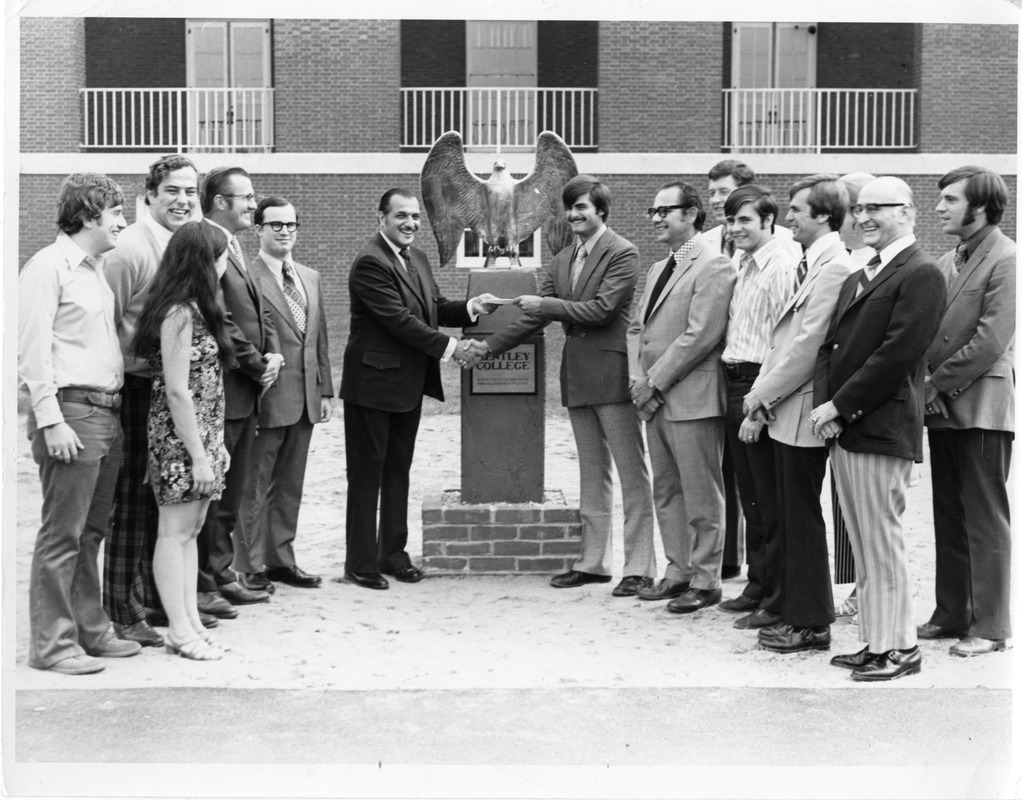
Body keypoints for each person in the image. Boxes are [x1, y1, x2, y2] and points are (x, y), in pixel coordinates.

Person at [467, 175, 656, 596]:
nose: (573, 215)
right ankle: (593, 563)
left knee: (632, 474)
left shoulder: (623, 252)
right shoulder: (560, 258)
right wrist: (488, 347)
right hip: (577, 376)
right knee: (592, 473)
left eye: (582, 207)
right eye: (569, 208)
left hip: (613, 374)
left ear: (601, 212)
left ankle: (640, 567)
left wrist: (547, 304)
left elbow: (603, 310)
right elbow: (535, 317)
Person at [811, 176, 945, 681]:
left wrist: (841, 407)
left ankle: (901, 648)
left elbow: (900, 353)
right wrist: (829, 405)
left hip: (878, 424)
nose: (864, 217)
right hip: (845, 426)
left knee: (882, 540)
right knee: (864, 542)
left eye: (877, 208)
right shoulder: (860, 273)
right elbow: (830, 348)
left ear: (907, 211)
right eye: (859, 208)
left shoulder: (921, 273)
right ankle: (875, 640)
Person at [339, 188, 498, 590]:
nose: (410, 223)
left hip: (406, 386)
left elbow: (432, 306)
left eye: (415, 217)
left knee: (397, 473)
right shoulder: (370, 263)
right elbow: (398, 320)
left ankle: (392, 555)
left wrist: (470, 307)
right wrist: (452, 347)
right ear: (382, 219)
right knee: (367, 476)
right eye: (401, 216)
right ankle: (360, 563)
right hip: (372, 388)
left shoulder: (417, 258)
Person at [19, 173, 142, 675]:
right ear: (90, 214)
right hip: (71, 413)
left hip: (104, 412)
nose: (122, 222)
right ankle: (51, 645)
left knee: (92, 531)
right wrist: (50, 420)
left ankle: (90, 632)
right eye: (115, 213)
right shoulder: (47, 268)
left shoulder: (95, 270)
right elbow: (30, 351)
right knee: (62, 534)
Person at [745, 174, 854, 654]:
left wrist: (758, 395)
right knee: (791, 515)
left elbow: (808, 346)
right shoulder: (815, 262)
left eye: (796, 210)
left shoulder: (834, 266)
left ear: (824, 216)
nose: (787, 218)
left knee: (802, 517)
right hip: (787, 408)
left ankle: (811, 622)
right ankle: (797, 612)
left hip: (802, 408)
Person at [104, 155, 201, 648]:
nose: (183, 200)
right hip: (137, 390)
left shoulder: (185, 244)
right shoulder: (128, 250)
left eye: (190, 191)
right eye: (172, 192)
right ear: (149, 195)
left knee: (166, 500)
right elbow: (107, 322)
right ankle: (120, 610)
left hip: (175, 390)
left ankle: (151, 602)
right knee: (132, 501)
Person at [626, 181, 736, 613]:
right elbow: (637, 329)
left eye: (664, 211)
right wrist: (640, 383)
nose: (655, 218)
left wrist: (652, 381)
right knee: (667, 492)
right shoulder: (657, 269)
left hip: (692, 400)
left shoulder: (715, 266)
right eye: (652, 211)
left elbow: (700, 336)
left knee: (701, 494)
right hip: (653, 399)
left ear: (691, 214)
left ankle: (707, 580)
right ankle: (678, 572)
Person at [919, 166, 1015, 657]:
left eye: (951, 200)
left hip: (980, 404)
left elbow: (990, 340)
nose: (940, 208)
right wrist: (930, 389)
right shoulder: (947, 259)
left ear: (981, 207)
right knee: (948, 513)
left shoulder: (1007, 259)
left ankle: (992, 625)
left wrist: (935, 385)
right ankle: (952, 612)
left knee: (984, 515)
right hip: (943, 405)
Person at [133, 222, 234, 660]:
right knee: (174, 533)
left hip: (202, 436)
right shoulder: (178, 313)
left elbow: (208, 386)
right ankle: (177, 628)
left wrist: (216, 445)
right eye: (224, 253)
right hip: (180, 440)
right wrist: (198, 454)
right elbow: (176, 389)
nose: (228, 261)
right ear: (206, 261)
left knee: (191, 531)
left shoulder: (196, 309)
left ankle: (188, 620)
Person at [234, 197, 333, 590]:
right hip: (266, 399)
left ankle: (281, 559)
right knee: (254, 487)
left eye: (291, 224)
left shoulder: (310, 277)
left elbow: (318, 338)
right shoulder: (246, 276)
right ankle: (250, 566)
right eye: (275, 224)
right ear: (258, 229)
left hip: (306, 399)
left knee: (290, 486)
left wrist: (324, 390)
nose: (284, 231)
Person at [197, 167, 283, 610]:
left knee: (234, 491)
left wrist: (273, 355)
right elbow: (219, 317)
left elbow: (256, 310)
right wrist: (254, 364)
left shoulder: (236, 247)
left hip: (248, 387)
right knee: (217, 494)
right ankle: (206, 584)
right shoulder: (205, 243)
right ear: (218, 202)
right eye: (245, 198)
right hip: (227, 388)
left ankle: (221, 572)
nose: (254, 204)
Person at [716, 185, 795, 629]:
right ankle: (758, 584)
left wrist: (759, 408)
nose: (736, 228)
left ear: (768, 221)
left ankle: (778, 598)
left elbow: (786, 344)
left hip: (758, 385)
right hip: (734, 382)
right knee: (751, 498)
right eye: (731, 220)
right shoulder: (744, 264)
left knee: (769, 498)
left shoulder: (780, 267)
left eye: (745, 219)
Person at [829, 171, 877, 619]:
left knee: (869, 510)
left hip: (865, 404)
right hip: (839, 401)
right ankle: (856, 586)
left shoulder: (868, 265)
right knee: (844, 503)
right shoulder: (846, 259)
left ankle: (869, 592)